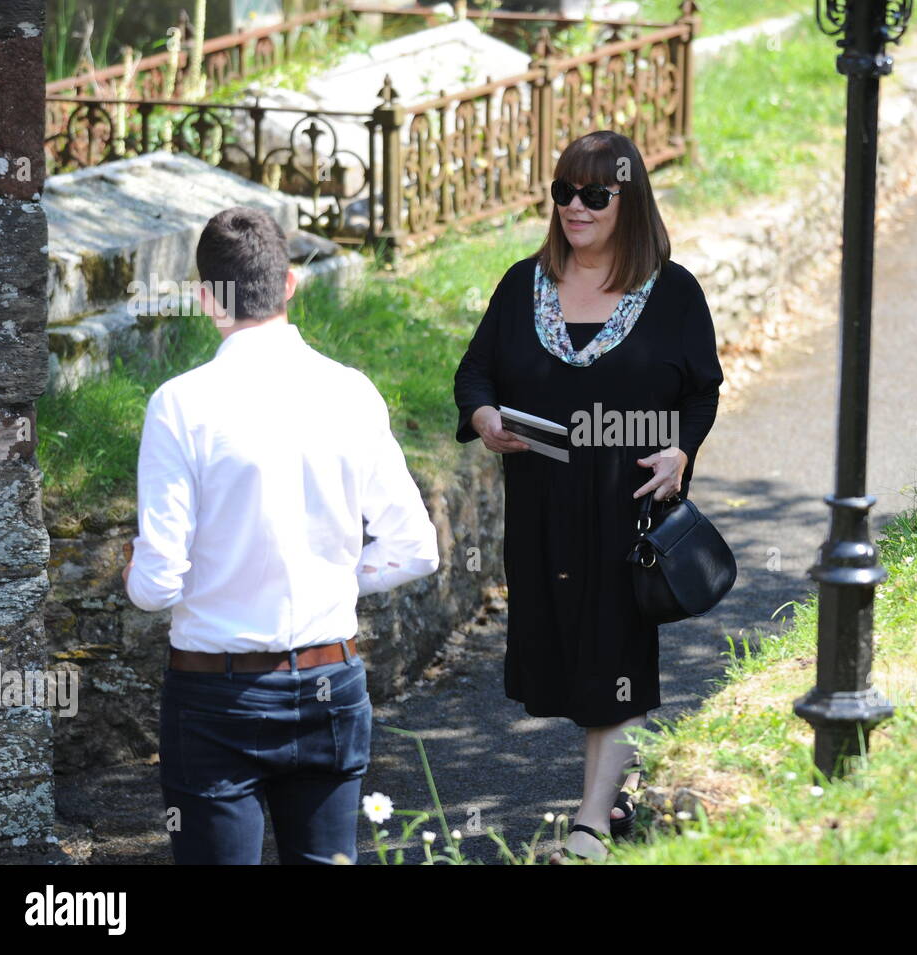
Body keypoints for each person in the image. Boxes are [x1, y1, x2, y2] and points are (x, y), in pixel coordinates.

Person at [124, 206, 440, 864]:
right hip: (330, 680)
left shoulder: (180, 405)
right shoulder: (351, 392)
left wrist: (138, 571)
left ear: (208, 298)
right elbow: (416, 548)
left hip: (215, 694)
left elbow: (156, 588)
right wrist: (331, 576)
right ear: (291, 284)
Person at [453, 130, 723, 861]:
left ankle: (591, 822)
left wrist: (681, 451)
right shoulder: (522, 285)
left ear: (627, 202)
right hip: (540, 507)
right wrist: (484, 418)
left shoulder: (672, 293)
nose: (576, 206)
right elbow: (474, 373)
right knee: (564, 655)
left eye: (595, 194)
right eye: (564, 191)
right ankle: (611, 799)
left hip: (623, 505)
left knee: (614, 652)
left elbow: (703, 389)